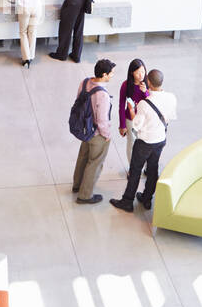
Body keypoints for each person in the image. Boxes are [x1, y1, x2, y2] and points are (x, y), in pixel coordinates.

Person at [111, 68, 177, 213]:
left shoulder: (144, 104)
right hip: (160, 140)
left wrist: (132, 110)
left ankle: (127, 201)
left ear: (148, 82)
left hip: (144, 142)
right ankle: (147, 198)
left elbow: (136, 125)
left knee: (135, 170)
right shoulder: (171, 97)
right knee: (153, 169)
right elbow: (171, 116)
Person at [72, 58, 115, 204]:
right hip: (96, 133)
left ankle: (77, 185)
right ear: (103, 74)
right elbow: (102, 120)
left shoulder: (84, 82)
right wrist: (107, 136)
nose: (112, 76)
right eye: (110, 73)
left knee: (83, 156)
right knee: (94, 163)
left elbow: (78, 101)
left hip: (84, 129)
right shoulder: (102, 95)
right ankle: (85, 195)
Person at [117, 59, 149, 175]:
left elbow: (152, 101)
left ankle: (146, 167)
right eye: (137, 73)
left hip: (145, 119)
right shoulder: (126, 85)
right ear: (132, 73)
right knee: (132, 144)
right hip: (130, 119)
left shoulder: (147, 84)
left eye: (143, 71)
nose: (141, 75)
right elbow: (121, 105)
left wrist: (145, 92)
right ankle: (133, 169)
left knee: (146, 144)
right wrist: (122, 125)